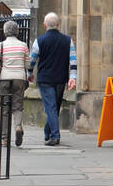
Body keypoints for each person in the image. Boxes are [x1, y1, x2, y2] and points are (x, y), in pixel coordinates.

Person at [27, 12, 77, 147]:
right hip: (61, 78)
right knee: (54, 107)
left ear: (44, 25)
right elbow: (73, 60)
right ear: (58, 25)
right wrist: (73, 77)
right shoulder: (68, 40)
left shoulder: (39, 41)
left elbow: (32, 60)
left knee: (50, 107)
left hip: (45, 79)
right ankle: (47, 133)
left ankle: (55, 136)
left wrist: (29, 73)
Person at [0, 19, 30, 148]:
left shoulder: (1, 45)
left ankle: (4, 139)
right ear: (17, 31)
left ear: (5, 31)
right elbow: (28, 64)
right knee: (18, 106)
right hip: (19, 78)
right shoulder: (23, 45)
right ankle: (18, 126)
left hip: (5, 78)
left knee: (4, 109)